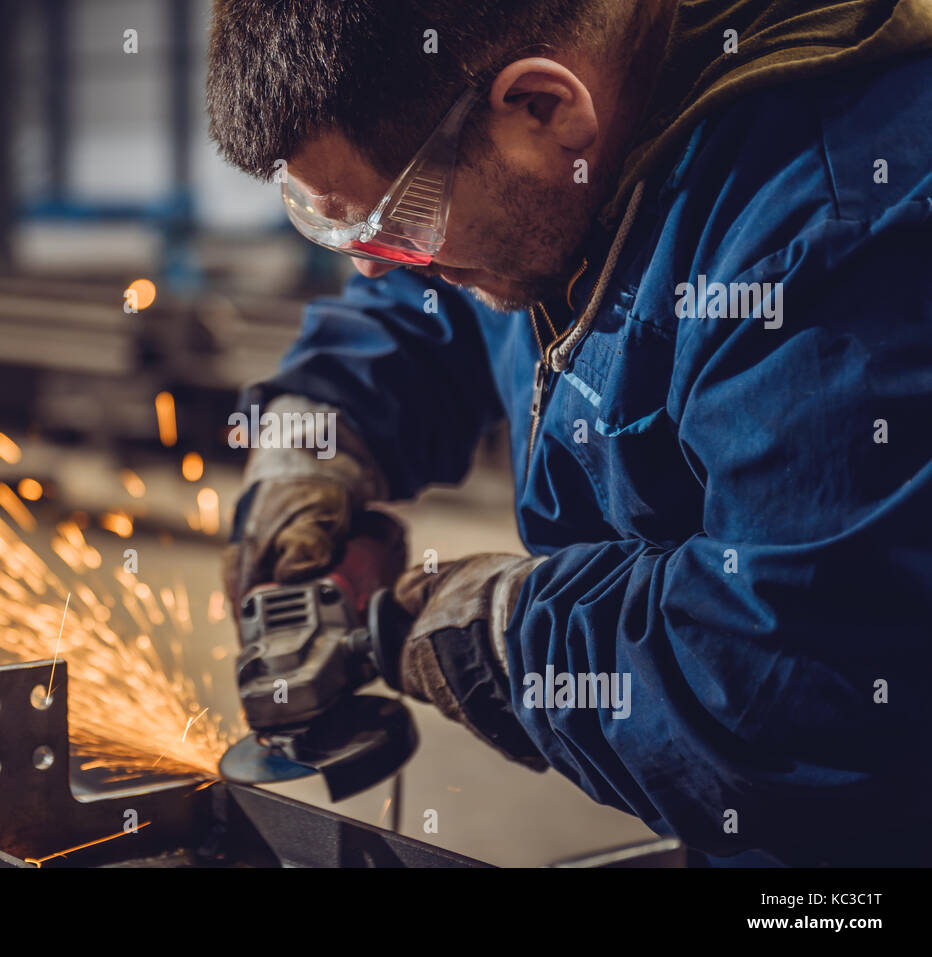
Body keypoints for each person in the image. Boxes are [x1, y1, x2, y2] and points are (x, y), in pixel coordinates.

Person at [205, 0, 932, 866]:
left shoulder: (832, 242)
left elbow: (792, 685)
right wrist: (314, 441)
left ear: (545, 106)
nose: (380, 261)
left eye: (398, 227)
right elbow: (427, 302)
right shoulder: (555, 144)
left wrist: (501, 633)